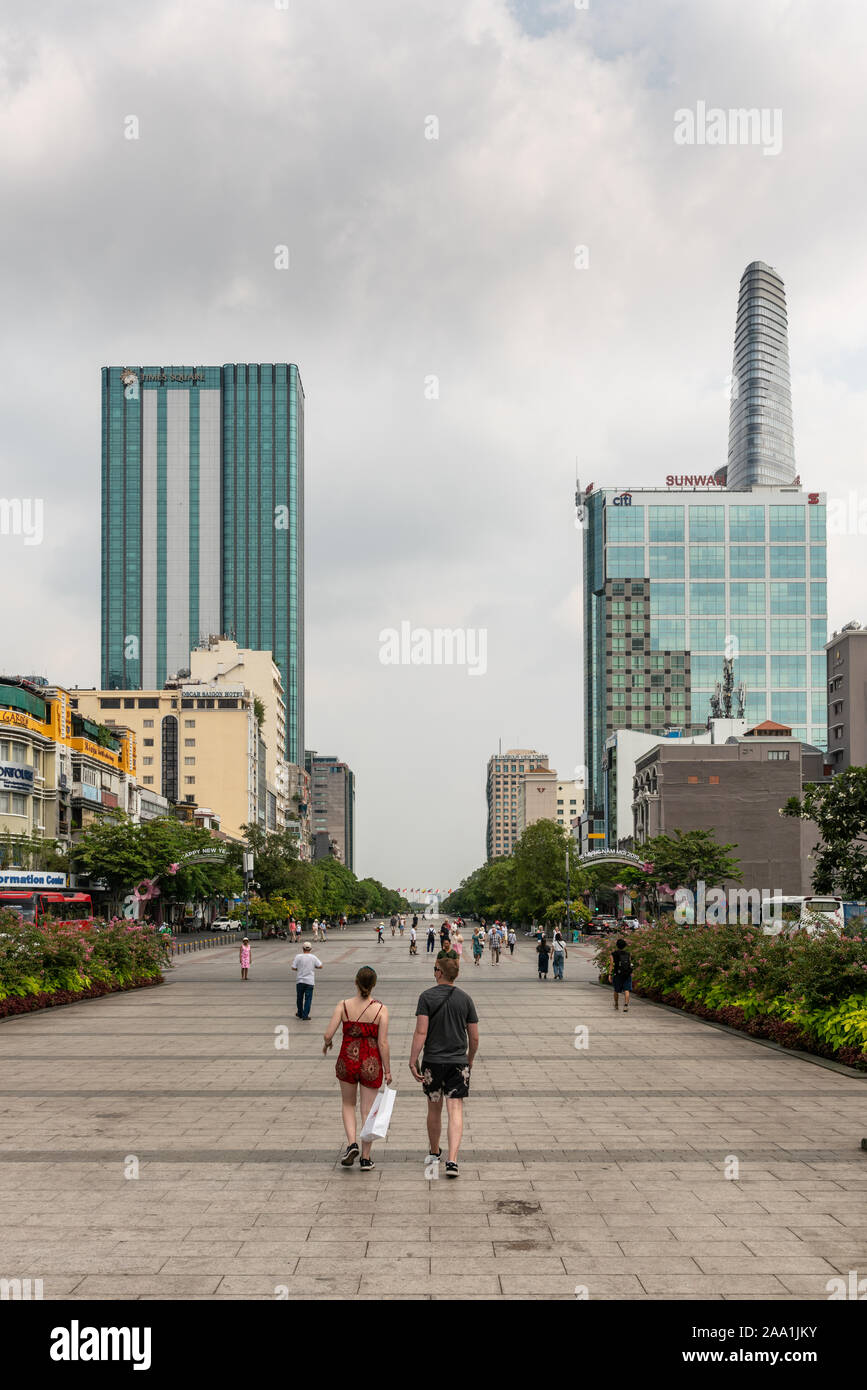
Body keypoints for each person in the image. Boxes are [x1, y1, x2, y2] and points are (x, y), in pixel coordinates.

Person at [409, 956, 479, 1179]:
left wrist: (413, 1059)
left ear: (439, 972)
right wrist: (470, 1058)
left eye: (434, 968)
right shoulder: (465, 999)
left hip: (433, 1062)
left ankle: (433, 1153)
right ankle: (453, 1160)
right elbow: (474, 1036)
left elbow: (421, 1032)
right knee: (455, 1109)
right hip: (458, 1062)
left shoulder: (426, 997)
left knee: (434, 1108)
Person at [322, 965, 391, 1171]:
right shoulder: (380, 1009)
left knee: (348, 1104)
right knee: (368, 1110)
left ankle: (352, 1143)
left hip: (347, 1060)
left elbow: (328, 1034)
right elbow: (383, 1043)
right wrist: (387, 1070)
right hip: (371, 1062)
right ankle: (366, 1158)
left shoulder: (343, 1005)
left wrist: (327, 1044)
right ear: (374, 984)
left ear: (356, 982)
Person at [292, 941, 323, 1019]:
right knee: (308, 999)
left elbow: (293, 967)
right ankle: (305, 1015)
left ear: (302, 948)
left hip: (300, 981)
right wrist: (313, 967)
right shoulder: (313, 957)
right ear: (311, 949)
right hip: (309, 981)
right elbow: (320, 966)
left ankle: (300, 1013)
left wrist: (299, 969)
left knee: (299, 998)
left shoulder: (298, 956)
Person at [611, 938, 633, 1013]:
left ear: (617, 945)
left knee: (616, 990)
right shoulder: (628, 954)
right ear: (624, 946)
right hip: (627, 974)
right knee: (626, 990)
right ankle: (626, 1005)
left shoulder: (613, 954)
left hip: (617, 974)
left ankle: (616, 1004)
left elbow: (611, 965)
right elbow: (630, 964)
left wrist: (610, 974)